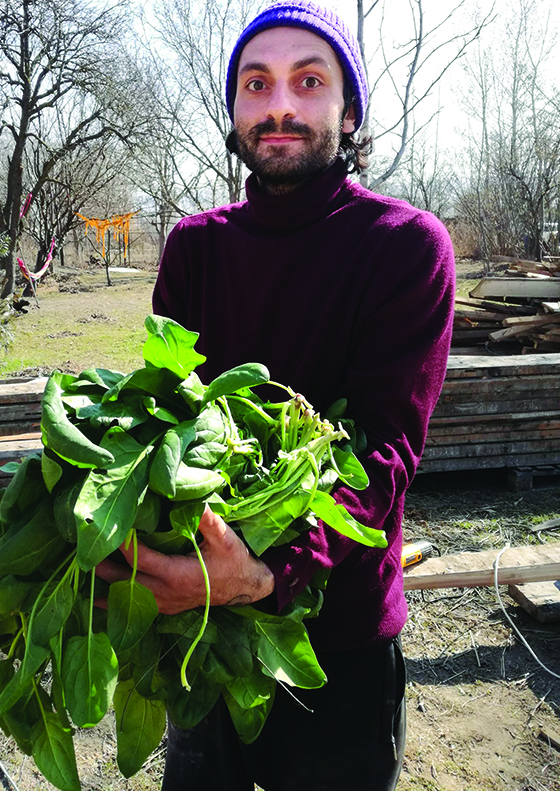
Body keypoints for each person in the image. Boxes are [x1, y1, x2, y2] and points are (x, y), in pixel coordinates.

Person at [98, 3, 455, 789]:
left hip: (336, 641)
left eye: (309, 80)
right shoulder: (195, 247)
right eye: (256, 84)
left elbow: (383, 453)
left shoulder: (405, 246)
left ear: (348, 109)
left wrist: (261, 573)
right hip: (198, 628)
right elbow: (167, 422)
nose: (280, 104)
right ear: (234, 111)